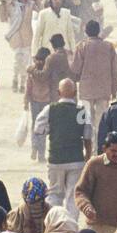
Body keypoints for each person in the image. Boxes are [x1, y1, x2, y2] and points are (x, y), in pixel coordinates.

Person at [35, 78, 92, 220]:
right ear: (75, 93)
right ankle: (71, 226)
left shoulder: (51, 109)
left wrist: (51, 129)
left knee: (54, 193)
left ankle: (54, 224)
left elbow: (39, 129)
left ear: (58, 92)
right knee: (73, 195)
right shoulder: (81, 111)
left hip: (56, 159)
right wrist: (88, 156)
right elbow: (87, 135)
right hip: (76, 159)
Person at [72, 20, 117, 131]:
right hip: (104, 89)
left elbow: (75, 69)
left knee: (87, 120)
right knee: (101, 120)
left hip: (86, 89)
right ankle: (98, 145)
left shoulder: (81, 46)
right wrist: (114, 90)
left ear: (86, 31)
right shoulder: (109, 46)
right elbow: (115, 71)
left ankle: (88, 145)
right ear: (98, 31)